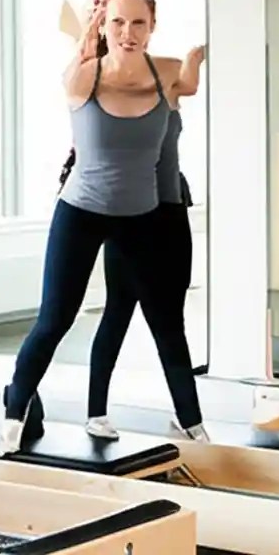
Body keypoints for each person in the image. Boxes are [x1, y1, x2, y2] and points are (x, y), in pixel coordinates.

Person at [0, 0, 206, 458]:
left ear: (152, 27)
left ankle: (194, 427)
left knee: (166, 324)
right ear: (103, 24)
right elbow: (74, 74)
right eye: (117, 21)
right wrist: (87, 29)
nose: (127, 32)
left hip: (142, 217)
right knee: (54, 321)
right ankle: (11, 419)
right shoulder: (83, 76)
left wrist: (200, 54)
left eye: (138, 22)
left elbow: (186, 84)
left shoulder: (165, 70)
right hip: (81, 213)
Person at [84, 44, 205, 441]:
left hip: (173, 210)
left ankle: (188, 420)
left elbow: (188, 84)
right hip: (133, 214)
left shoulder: (160, 84)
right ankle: (97, 412)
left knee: (173, 319)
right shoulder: (106, 99)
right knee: (119, 313)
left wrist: (197, 54)